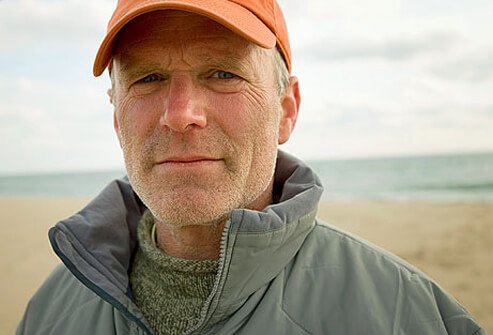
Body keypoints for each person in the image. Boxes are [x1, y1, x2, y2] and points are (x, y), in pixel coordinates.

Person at [17, 0, 484, 334]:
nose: (180, 113)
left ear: (286, 109)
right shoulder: (50, 311)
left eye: (223, 73)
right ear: (117, 117)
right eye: (149, 78)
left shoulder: (405, 313)